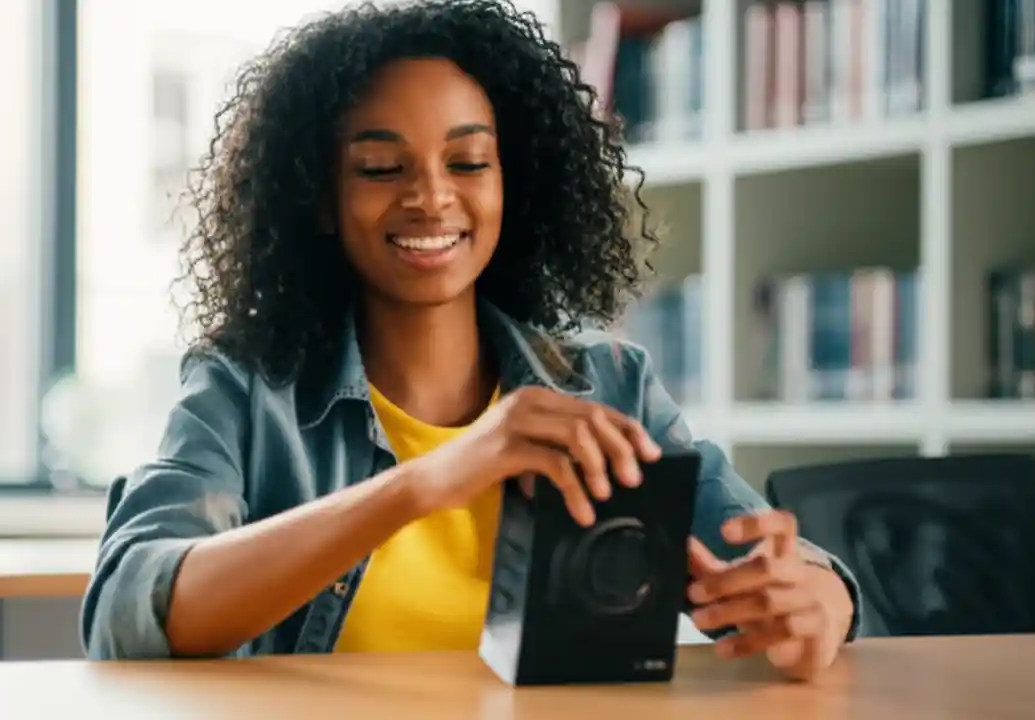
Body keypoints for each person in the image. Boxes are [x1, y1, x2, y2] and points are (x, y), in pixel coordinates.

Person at [81, 0, 860, 681]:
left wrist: (817, 599)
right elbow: (128, 613)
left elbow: (772, 559)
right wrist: (425, 482)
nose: (430, 196)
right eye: (380, 167)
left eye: (468, 161)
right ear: (319, 198)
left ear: (511, 184)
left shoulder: (608, 385)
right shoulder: (248, 390)